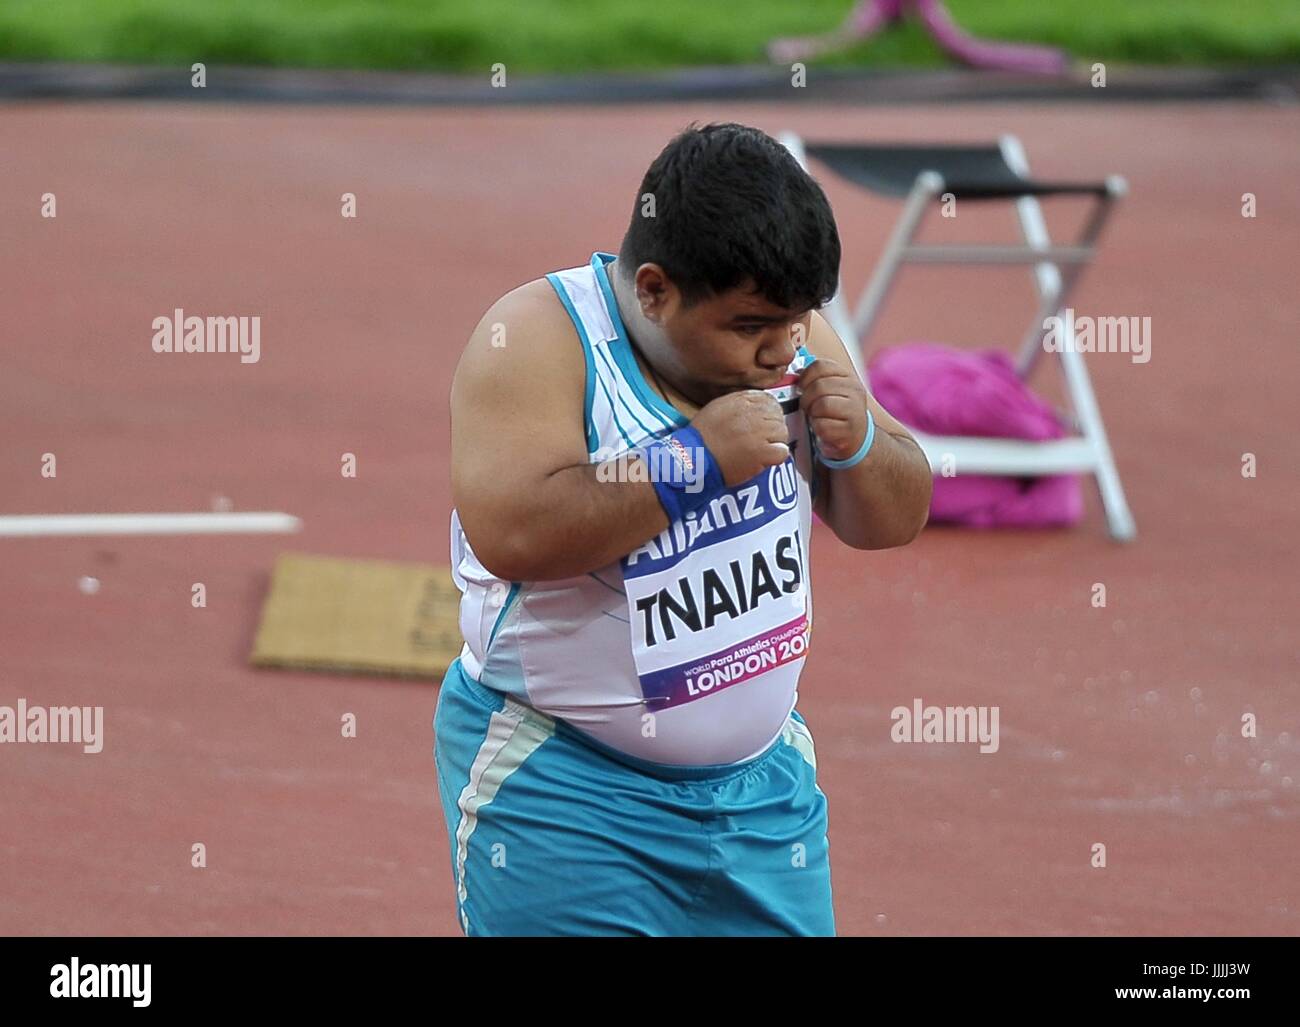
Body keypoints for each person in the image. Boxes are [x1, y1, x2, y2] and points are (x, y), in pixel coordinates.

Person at [434, 122, 932, 936]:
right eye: (749, 328)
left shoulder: (794, 337)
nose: (781, 351)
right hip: (567, 790)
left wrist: (866, 446)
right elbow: (512, 531)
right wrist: (692, 464)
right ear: (657, 290)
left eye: (799, 321)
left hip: (762, 794)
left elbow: (896, 518)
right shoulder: (537, 337)